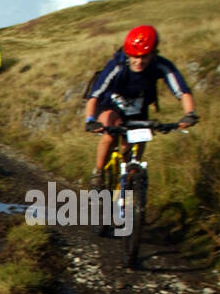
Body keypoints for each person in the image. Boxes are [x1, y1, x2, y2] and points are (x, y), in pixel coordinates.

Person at [84, 24, 198, 186]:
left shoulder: (161, 65)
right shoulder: (117, 65)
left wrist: (190, 113)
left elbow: (182, 91)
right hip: (110, 104)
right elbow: (94, 95)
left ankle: (131, 186)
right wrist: (90, 119)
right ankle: (98, 173)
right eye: (134, 57)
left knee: (133, 149)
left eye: (144, 57)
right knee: (109, 134)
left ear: (153, 53)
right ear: (127, 54)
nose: (139, 61)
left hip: (138, 109)